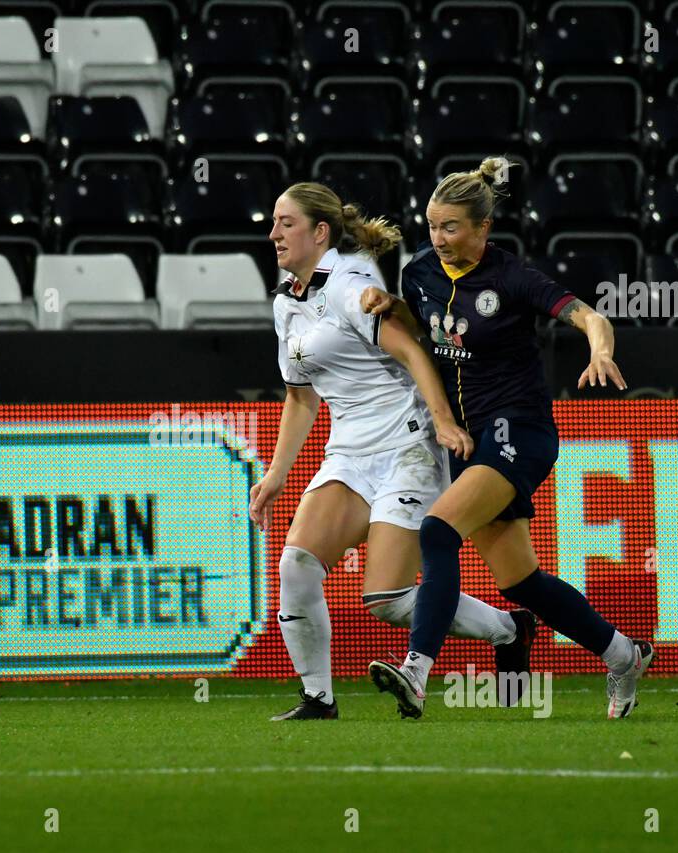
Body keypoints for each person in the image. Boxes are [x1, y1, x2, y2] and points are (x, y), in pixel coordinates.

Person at [361, 157, 654, 720]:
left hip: (520, 431)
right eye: (431, 225)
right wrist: (389, 306)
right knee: (520, 581)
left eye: (452, 227)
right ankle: (625, 655)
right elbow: (424, 326)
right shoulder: (418, 272)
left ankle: (416, 673)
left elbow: (588, 316)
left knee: (439, 531)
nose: (439, 238)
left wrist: (600, 347)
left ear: (482, 228)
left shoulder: (512, 277)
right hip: (469, 443)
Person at [251, 182, 536, 721]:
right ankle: (318, 699)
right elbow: (299, 396)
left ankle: (508, 628)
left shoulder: (349, 284)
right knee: (297, 566)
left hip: (409, 443)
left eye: (285, 223)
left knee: (388, 599)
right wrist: (276, 476)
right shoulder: (287, 301)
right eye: (273, 222)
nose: (273, 234)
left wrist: (445, 422)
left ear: (319, 232)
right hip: (350, 451)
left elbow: (410, 351)